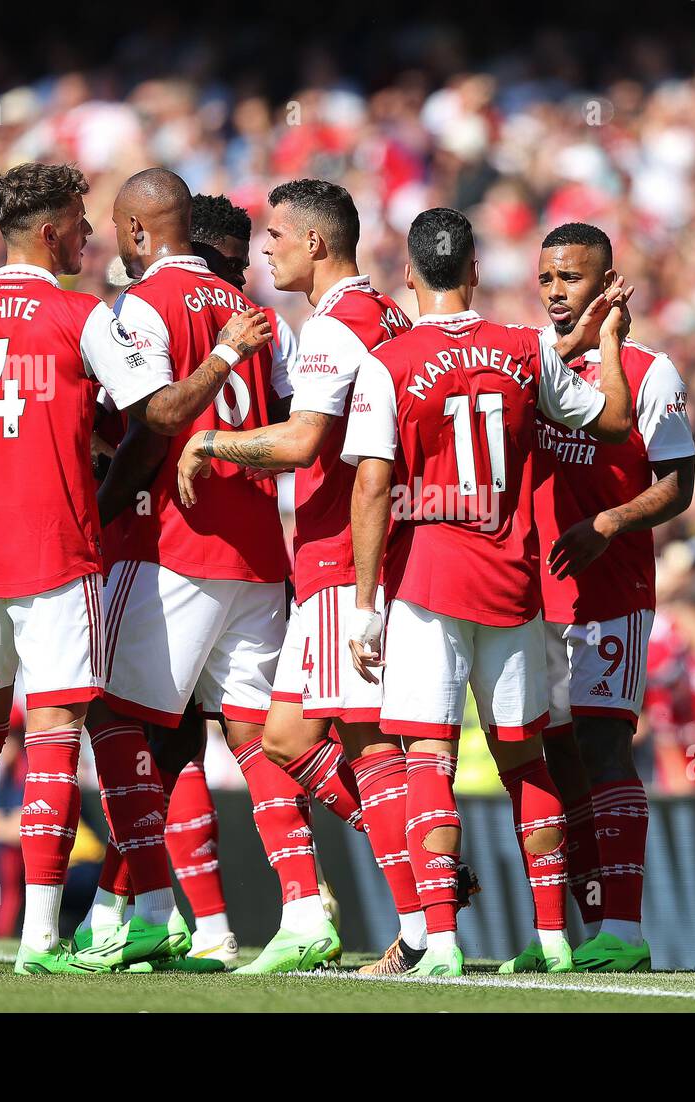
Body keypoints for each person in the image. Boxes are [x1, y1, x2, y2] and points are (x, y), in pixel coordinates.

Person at [0, 161, 271, 974]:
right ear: (52, 230)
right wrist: (227, 356)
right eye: (80, 221)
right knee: (60, 735)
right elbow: (161, 413)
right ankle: (37, 938)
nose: (91, 236)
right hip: (59, 557)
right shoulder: (81, 316)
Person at [342, 207, 634, 976]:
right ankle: (550, 941)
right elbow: (610, 420)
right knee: (525, 760)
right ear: (475, 270)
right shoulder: (524, 349)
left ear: (409, 275)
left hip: (427, 581)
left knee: (426, 758)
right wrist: (607, 340)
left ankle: (439, 942)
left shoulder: (388, 362)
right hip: (512, 583)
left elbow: (372, 484)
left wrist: (364, 604)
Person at [175, 180, 428, 974]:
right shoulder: (386, 314)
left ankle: (421, 926)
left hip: (339, 558)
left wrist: (211, 444)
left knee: (364, 740)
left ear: (316, 244)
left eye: (277, 236)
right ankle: (427, 884)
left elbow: (302, 443)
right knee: (284, 737)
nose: (266, 250)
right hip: (366, 554)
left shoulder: (329, 328)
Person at [75, 168, 322, 973]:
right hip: (254, 552)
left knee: (121, 726)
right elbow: (288, 421)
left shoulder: (140, 306)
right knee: (253, 741)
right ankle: (305, 908)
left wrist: (106, 502)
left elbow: (154, 421)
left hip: (172, 547)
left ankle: (147, 910)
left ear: (142, 231)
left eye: (119, 231)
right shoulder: (259, 318)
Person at [531, 222, 695, 972]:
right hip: (532, 592)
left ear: (607, 281)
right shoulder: (531, 360)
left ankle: (624, 928)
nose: (558, 292)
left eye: (571, 277)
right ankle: (574, 930)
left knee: (601, 748)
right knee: (551, 758)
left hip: (612, 589)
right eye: (547, 279)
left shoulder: (650, 370)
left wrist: (610, 520)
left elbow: (677, 485)